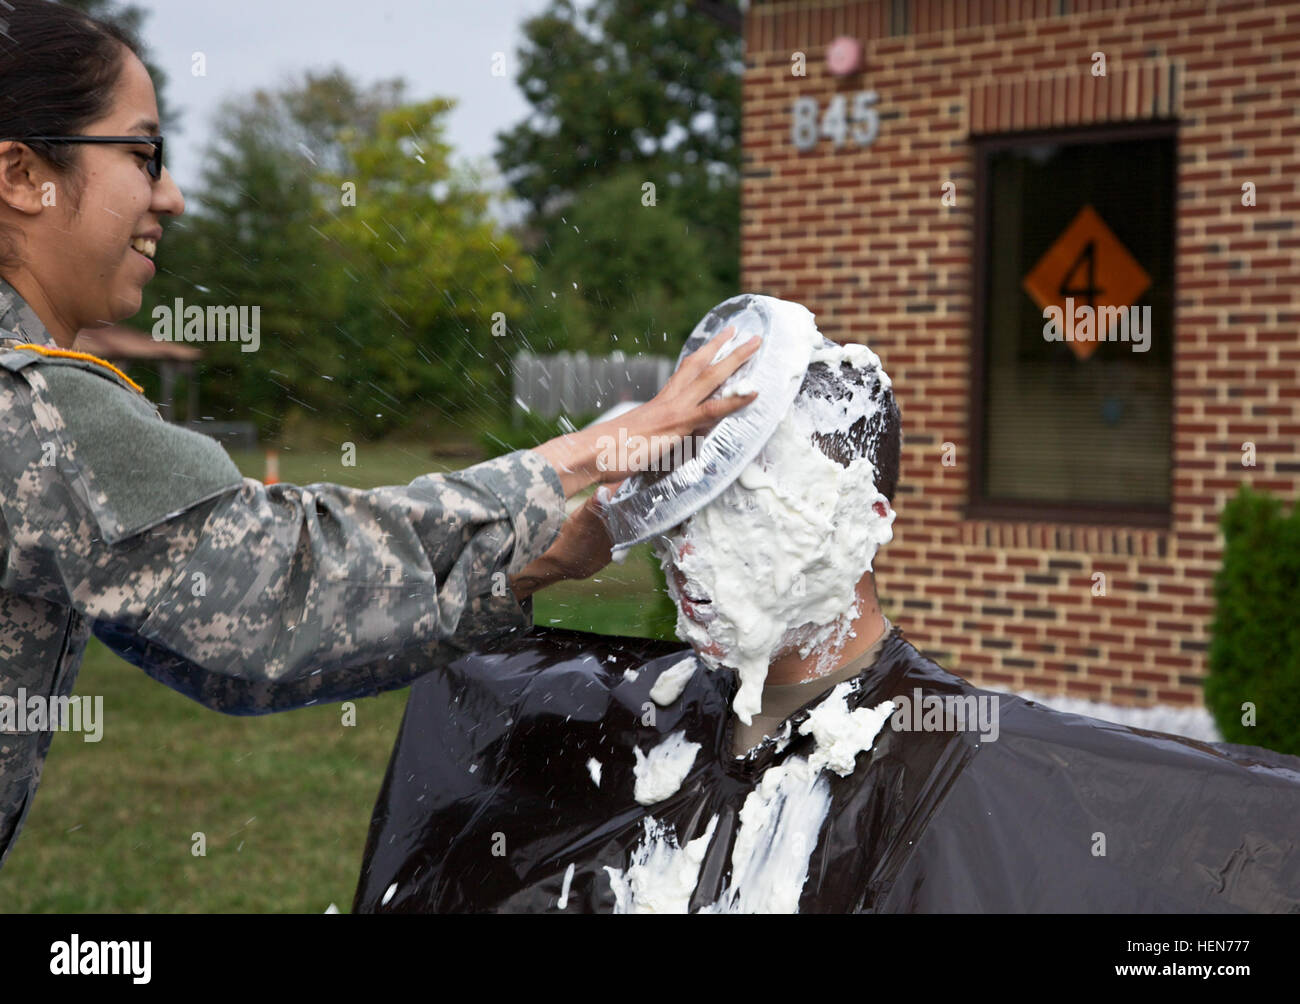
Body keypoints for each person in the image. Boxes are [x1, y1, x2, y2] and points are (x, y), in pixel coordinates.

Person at [0, 0, 759, 872]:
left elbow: (226, 641)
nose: (169, 193)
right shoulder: (34, 406)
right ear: (24, 174)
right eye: (141, 154)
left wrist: (549, 554)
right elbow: (287, 576)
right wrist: (594, 449)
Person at [354, 336, 1300, 914]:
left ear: (865, 524)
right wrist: (533, 550)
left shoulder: (966, 772)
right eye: (685, 507)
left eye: (743, 508)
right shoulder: (600, 727)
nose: (686, 552)